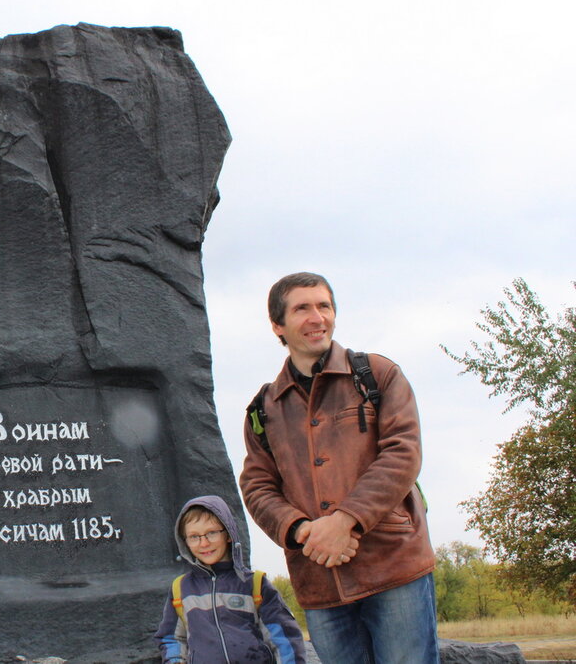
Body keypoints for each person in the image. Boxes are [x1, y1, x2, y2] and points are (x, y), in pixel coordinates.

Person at [239, 272, 438, 663]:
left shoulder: (377, 375)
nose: (317, 317)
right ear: (277, 325)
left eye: (324, 306)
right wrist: (300, 530)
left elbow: (403, 454)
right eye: (302, 309)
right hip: (318, 579)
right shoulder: (264, 408)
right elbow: (257, 486)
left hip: (394, 567)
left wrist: (344, 520)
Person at [153, 495, 305, 663]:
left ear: (228, 534)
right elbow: (172, 638)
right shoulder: (180, 589)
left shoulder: (255, 583)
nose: (203, 543)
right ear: (185, 541)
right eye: (194, 536)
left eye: (211, 533)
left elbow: (284, 637)